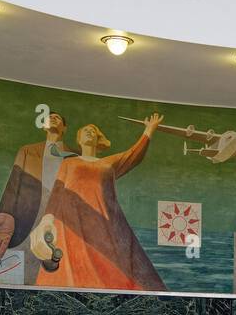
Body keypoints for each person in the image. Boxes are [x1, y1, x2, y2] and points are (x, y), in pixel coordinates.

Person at [35, 117, 165, 291]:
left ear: (98, 140)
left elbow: (133, 155)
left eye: (93, 131)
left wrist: (149, 130)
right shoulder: (69, 163)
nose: (89, 132)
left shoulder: (108, 163)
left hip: (105, 225)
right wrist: (47, 220)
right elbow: (58, 191)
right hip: (71, 225)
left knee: (116, 272)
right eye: (85, 131)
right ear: (79, 139)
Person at [0, 111, 77, 283]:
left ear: (65, 128)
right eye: (49, 117)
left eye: (58, 118)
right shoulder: (27, 151)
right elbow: (13, 184)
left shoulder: (74, 157)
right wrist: (5, 214)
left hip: (60, 218)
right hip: (27, 216)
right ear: (43, 126)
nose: (53, 118)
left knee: (53, 269)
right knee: (24, 269)